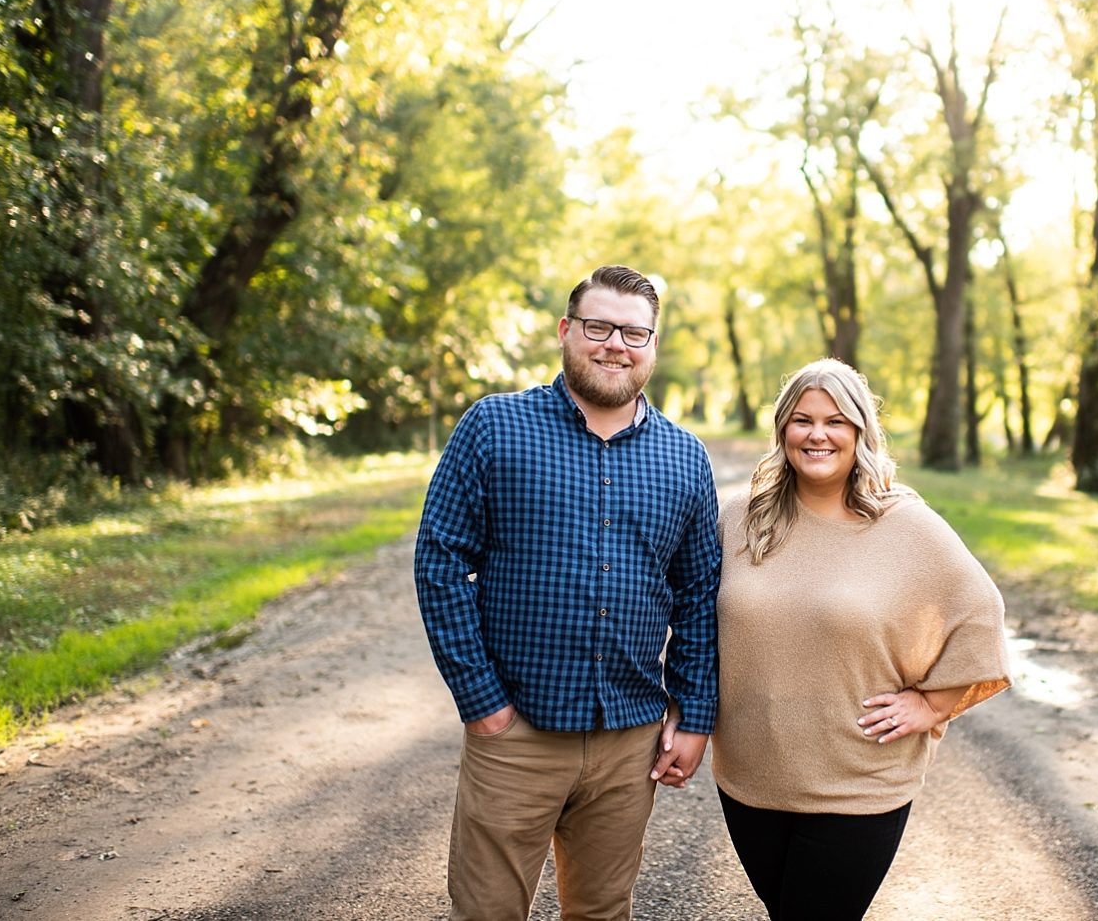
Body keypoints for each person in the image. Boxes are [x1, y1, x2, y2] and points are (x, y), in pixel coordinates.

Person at [413, 265, 721, 921]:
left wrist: (694, 715)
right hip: (516, 731)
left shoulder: (684, 458)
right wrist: (482, 703)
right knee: (486, 911)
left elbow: (697, 594)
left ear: (653, 345)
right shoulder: (495, 427)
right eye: (599, 326)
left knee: (603, 912)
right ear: (566, 331)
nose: (617, 343)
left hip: (629, 740)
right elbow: (441, 565)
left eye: (635, 332)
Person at [701, 358, 1011, 920]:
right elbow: (697, 622)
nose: (817, 434)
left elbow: (979, 611)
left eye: (836, 421)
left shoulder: (905, 525)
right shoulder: (740, 519)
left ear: (860, 432)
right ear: (782, 431)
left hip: (859, 783)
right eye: (802, 419)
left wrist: (932, 703)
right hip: (750, 779)